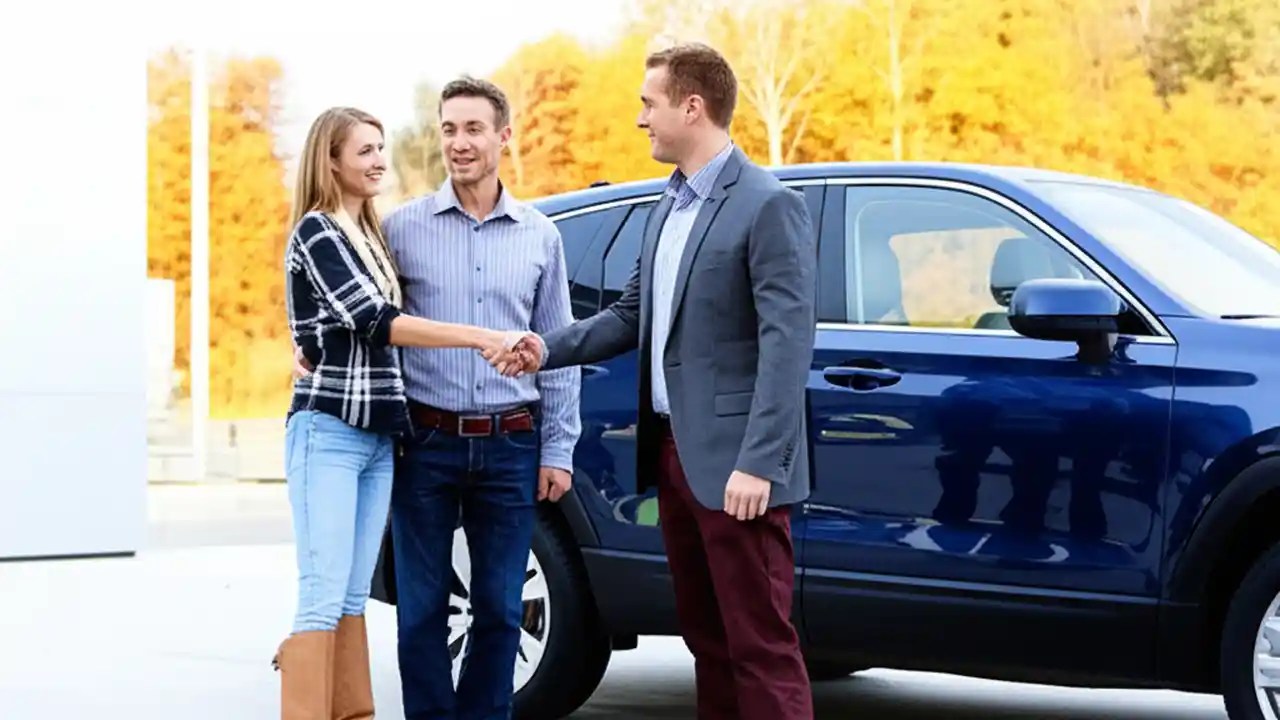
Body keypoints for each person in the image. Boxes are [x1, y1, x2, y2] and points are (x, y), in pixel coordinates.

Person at [501, 43, 817, 719]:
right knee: (708, 639)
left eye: (650, 104)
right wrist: (540, 350)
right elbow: (629, 315)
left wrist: (760, 462)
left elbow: (787, 345)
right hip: (672, 458)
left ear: (692, 106)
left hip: (739, 470)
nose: (641, 119)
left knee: (760, 645)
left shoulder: (766, 205)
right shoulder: (665, 208)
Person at [276, 106, 522, 720]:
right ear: (329, 160)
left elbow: (334, 331)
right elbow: (375, 321)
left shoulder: (374, 234)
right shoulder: (317, 231)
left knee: (354, 596)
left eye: (381, 148)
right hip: (327, 432)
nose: (379, 160)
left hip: (380, 438)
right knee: (322, 597)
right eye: (363, 151)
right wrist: (476, 337)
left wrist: (306, 346)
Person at [378, 77, 581, 720]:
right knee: (420, 613)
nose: (459, 144)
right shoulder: (400, 229)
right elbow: (371, 324)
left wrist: (559, 449)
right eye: (448, 129)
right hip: (425, 443)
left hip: (511, 443)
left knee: (498, 610)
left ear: (503, 136)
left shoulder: (540, 236)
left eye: (472, 129)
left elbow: (558, 350)